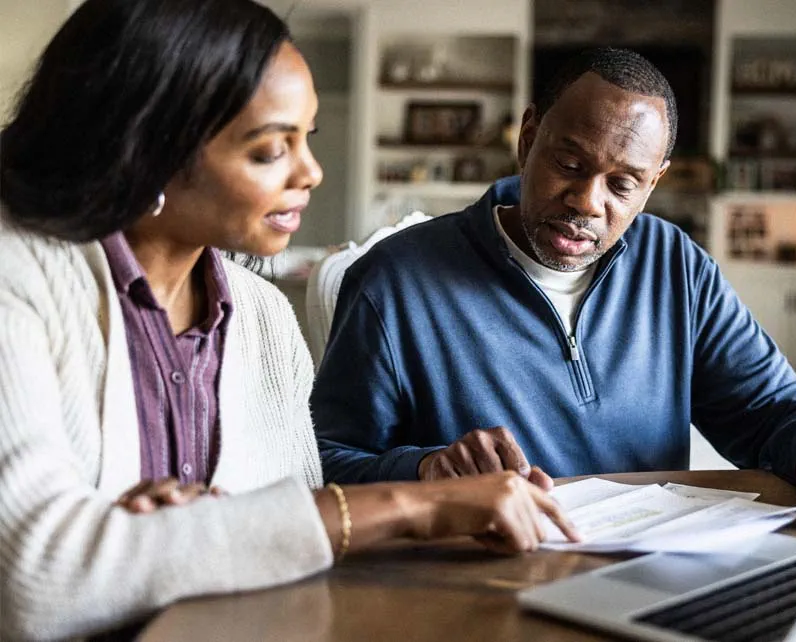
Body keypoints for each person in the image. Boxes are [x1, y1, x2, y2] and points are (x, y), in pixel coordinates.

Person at [0, 1, 575, 639]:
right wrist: (418, 504)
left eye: (307, 138)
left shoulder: (265, 319)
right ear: (145, 149)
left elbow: (293, 539)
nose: (311, 172)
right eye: (273, 149)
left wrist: (168, 534)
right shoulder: (16, 277)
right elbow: (35, 580)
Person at [312, 48, 796, 534]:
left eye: (623, 183)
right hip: (486, 578)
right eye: (569, 164)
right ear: (528, 139)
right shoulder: (395, 281)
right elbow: (324, 464)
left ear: (654, 181)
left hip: (649, 569)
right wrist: (427, 472)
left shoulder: (675, 265)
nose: (588, 202)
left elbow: (768, 406)